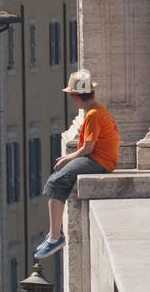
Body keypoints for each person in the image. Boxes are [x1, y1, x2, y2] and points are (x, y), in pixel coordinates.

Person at [34, 71, 120, 259]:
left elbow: (88, 148)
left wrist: (67, 158)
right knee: (60, 180)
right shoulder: (98, 111)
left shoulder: (93, 115)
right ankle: (53, 234)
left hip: (99, 160)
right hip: (103, 159)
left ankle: (55, 237)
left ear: (76, 97)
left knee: (55, 181)